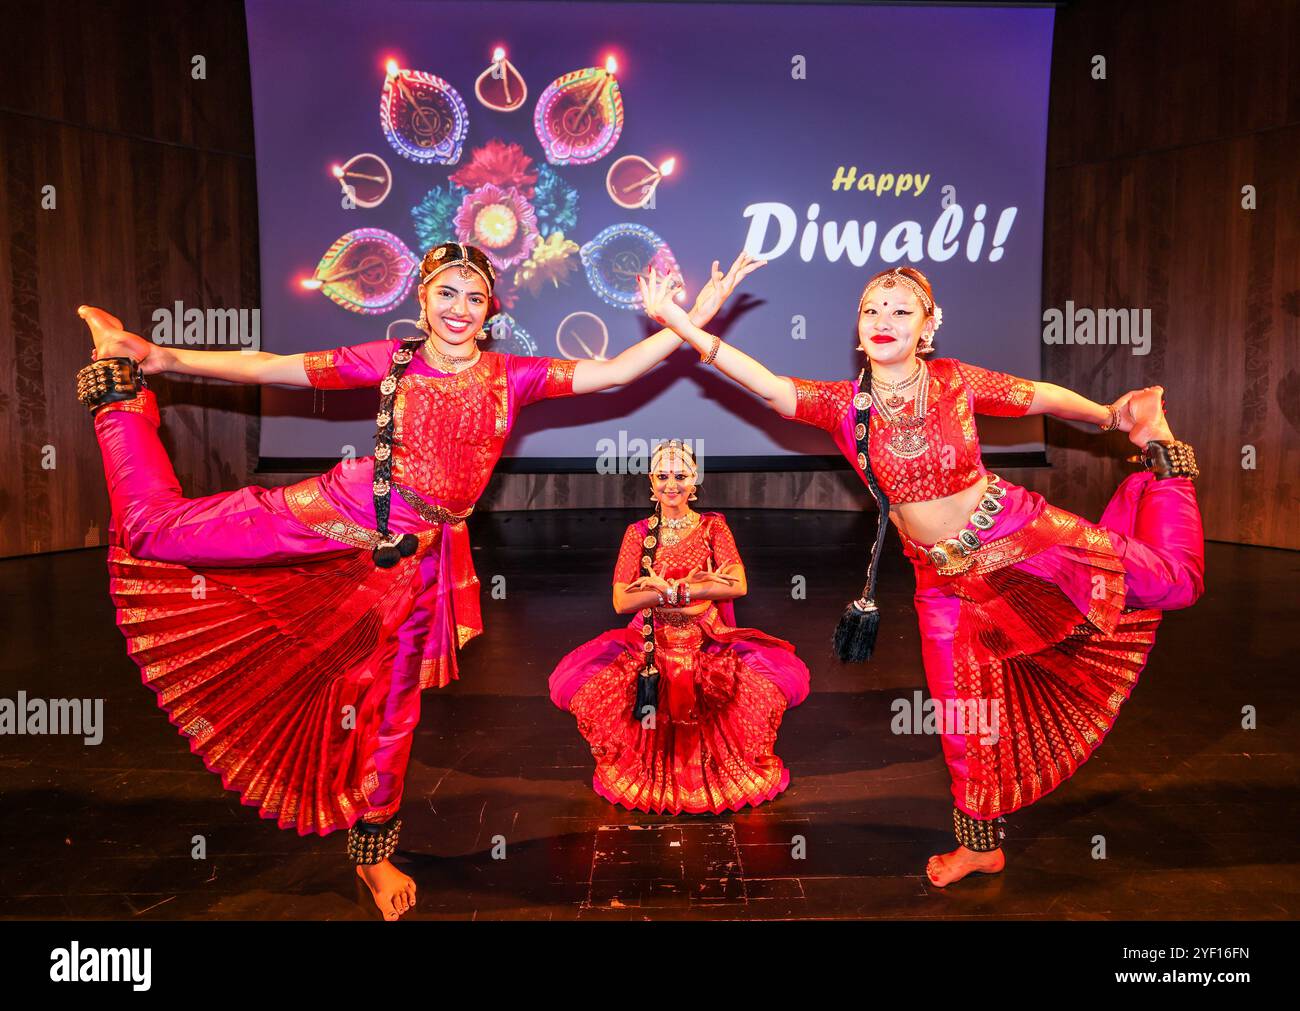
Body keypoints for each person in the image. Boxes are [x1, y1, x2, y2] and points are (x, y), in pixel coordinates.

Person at [75, 242, 763, 919]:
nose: (460, 309)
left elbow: (614, 372)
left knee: (394, 710)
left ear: (491, 309)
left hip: (423, 557)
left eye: (474, 297)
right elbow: (274, 368)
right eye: (446, 294)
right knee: (153, 531)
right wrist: (162, 359)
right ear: (422, 299)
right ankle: (119, 405)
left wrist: (691, 316)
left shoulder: (510, 376)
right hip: (342, 512)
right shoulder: (392, 362)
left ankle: (372, 852)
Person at [636, 265, 1204, 886]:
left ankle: (1166, 460)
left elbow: (1038, 395)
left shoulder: (954, 381)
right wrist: (684, 323)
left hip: (1018, 536)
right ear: (857, 328)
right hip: (942, 581)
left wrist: (1110, 418)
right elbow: (770, 387)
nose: (883, 321)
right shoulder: (841, 406)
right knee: (963, 716)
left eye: (901, 311)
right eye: (872, 310)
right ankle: (980, 845)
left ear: (928, 327)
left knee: (1175, 582)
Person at [549, 440, 810, 813]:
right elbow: (622, 601)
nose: (672, 484)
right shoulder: (638, 534)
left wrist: (666, 591)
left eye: (681, 475)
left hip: (704, 643)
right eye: (663, 476)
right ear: (650, 484)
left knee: (758, 691)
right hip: (651, 646)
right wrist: (696, 593)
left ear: (695, 482)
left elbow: (737, 584)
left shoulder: (713, 528)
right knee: (596, 692)